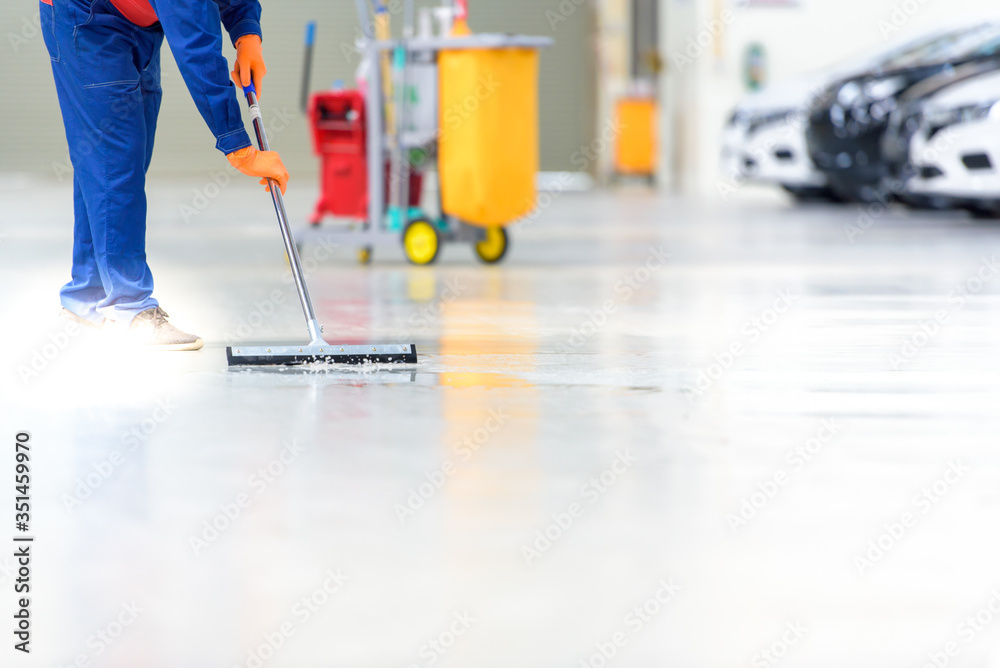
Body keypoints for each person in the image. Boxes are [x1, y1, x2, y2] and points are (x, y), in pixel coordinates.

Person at [40, 0, 289, 351]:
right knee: (116, 159)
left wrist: (247, 31)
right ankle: (130, 308)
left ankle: (88, 295)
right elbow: (198, 50)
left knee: (114, 159)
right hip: (86, 18)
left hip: (136, 21)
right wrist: (239, 147)